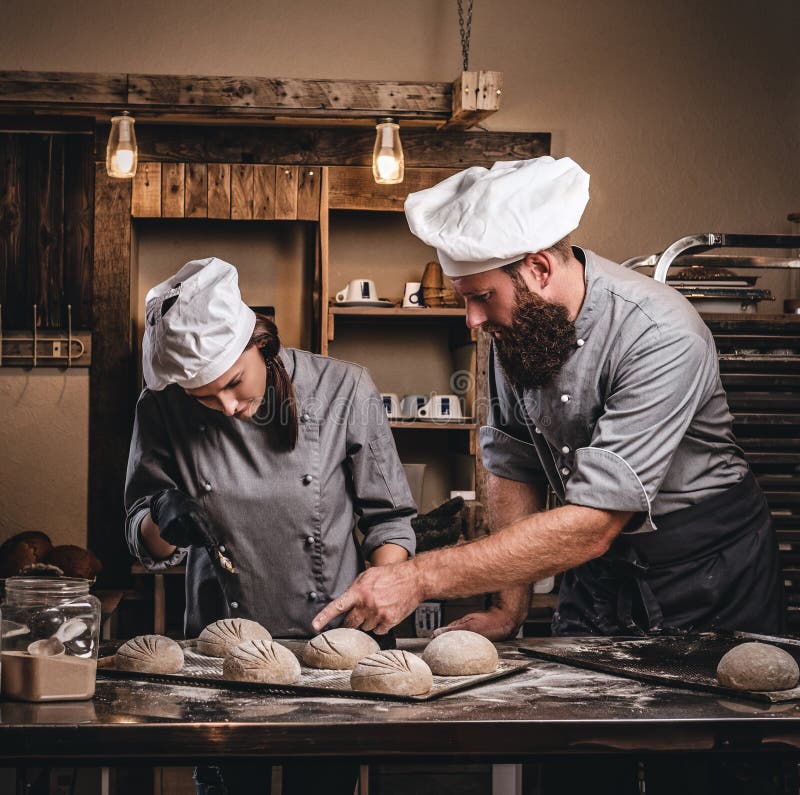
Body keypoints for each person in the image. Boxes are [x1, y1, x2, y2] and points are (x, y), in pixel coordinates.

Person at [312, 155, 782, 641]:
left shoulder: (659, 333)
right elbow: (512, 463)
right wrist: (509, 605)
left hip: (706, 569)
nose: (472, 320)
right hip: (594, 566)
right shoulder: (516, 332)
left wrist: (418, 576)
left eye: (482, 297)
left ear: (538, 268)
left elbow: (595, 521)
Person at [124, 256, 416, 794]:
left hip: (332, 648)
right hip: (221, 654)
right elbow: (142, 534)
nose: (227, 406)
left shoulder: (344, 389)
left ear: (262, 343)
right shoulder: (160, 409)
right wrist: (163, 522)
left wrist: (381, 588)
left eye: (234, 383)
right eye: (205, 398)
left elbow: (390, 520)